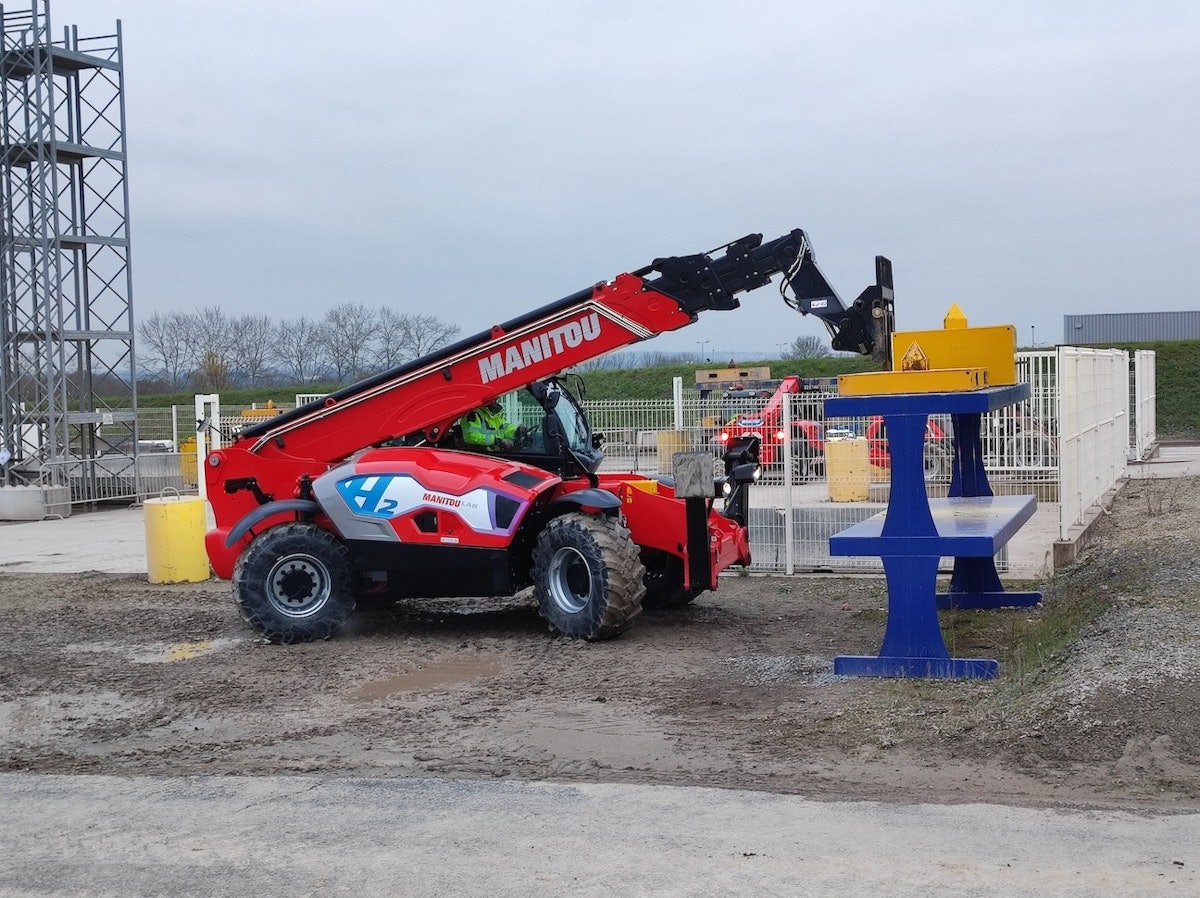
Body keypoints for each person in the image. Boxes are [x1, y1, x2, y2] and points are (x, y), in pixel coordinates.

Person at [460, 398, 527, 451]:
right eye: (493, 398)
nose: (495, 401)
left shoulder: (495, 414)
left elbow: (505, 429)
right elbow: (471, 437)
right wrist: (496, 441)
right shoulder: (473, 415)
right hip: (482, 456)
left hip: (495, 454)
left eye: (495, 398)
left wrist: (516, 432)